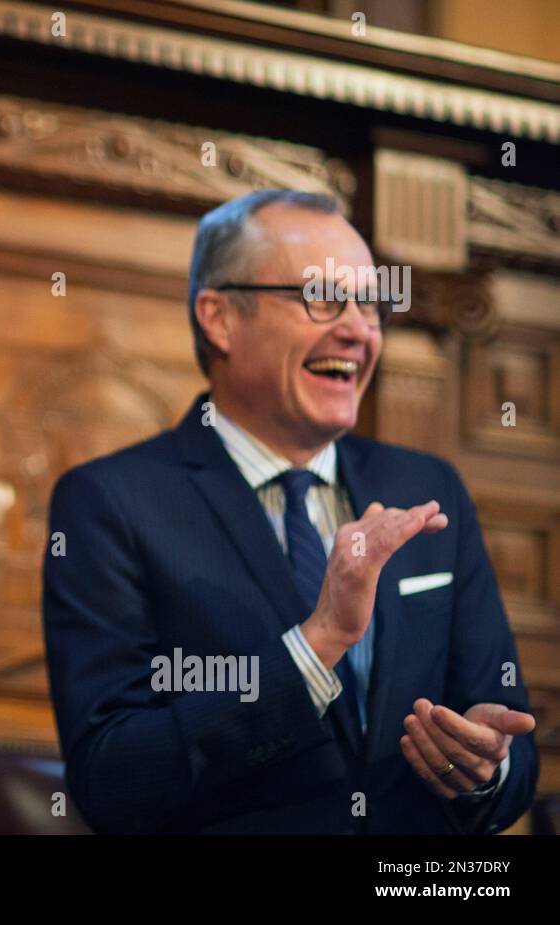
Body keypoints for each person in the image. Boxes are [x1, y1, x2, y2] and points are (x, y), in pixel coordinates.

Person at [43, 189, 537, 834]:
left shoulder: (425, 487)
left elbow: (512, 744)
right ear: (219, 316)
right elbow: (112, 776)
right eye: (323, 298)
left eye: (371, 304)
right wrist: (318, 642)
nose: (359, 330)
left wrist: (483, 768)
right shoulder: (112, 501)